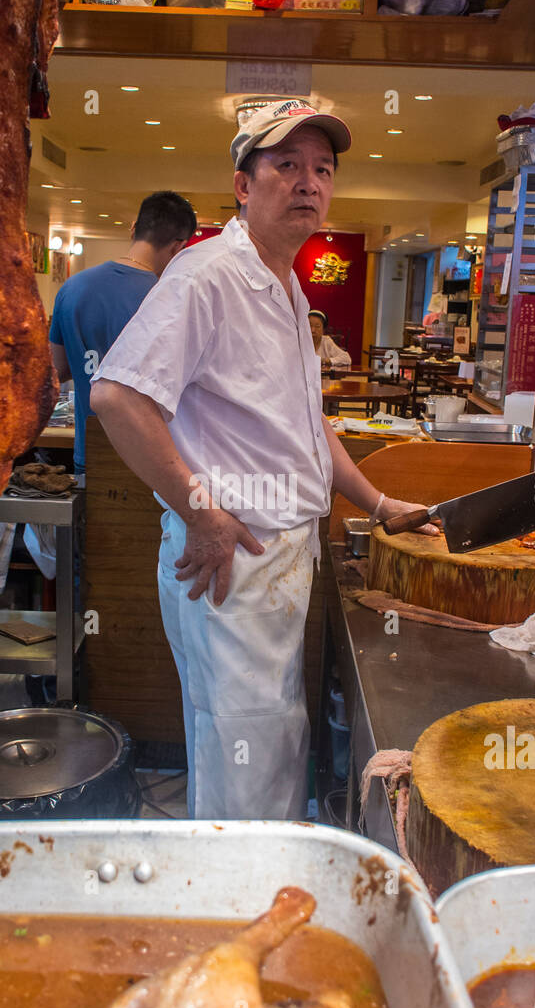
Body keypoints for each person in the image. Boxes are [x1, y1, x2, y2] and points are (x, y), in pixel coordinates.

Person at [90, 98, 436, 820]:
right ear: (244, 186)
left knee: (265, 746)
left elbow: (304, 428)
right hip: (234, 556)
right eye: (286, 166)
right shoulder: (208, 273)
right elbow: (118, 398)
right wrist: (200, 510)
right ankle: (245, 914)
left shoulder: (285, 284)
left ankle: (257, 895)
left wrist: (377, 505)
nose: (308, 182)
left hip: (279, 557)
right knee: (246, 761)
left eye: (322, 169)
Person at [48, 191, 197, 476]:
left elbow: (58, 369)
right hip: (153, 457)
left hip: (90, 451)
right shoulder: (167, 297)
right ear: (179, 248)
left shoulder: (72, 288)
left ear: (133, 229)